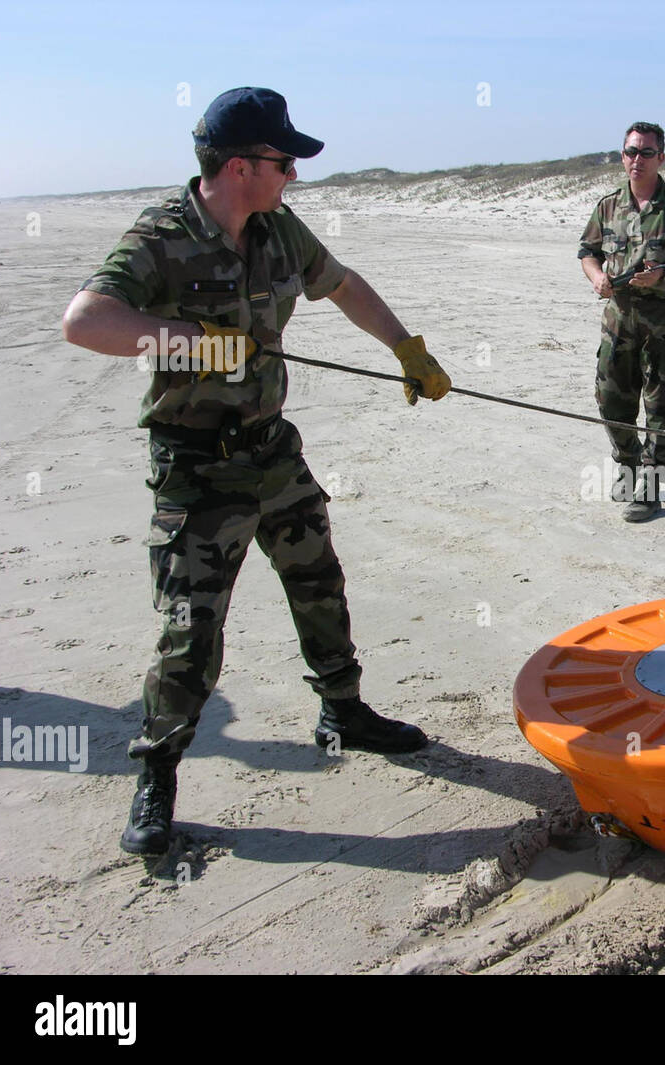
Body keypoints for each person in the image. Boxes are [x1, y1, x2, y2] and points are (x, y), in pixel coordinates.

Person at [61, 87, 453, 856]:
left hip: (273, 450)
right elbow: (85, 321)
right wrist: (191, 341)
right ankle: (159, 771)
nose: (293, 176)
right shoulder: (161, 237)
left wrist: (405, 347)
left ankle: (344, 709)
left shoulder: (276, 229)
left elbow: (340, 282)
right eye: (283, 162)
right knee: (190, 632)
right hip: (196, 466)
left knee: (319, 580)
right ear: (239, 165)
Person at [578, 122, 665, 522]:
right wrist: (597, 276)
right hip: (618, 321)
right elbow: (587, 251)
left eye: (646, 153)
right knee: (611, 400)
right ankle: (628, 461)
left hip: (663, 327)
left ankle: (651, 490)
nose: (637, 160)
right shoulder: (608, 206)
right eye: (631, 152)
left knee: (659, 405)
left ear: (661, 158)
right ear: (623, 155)